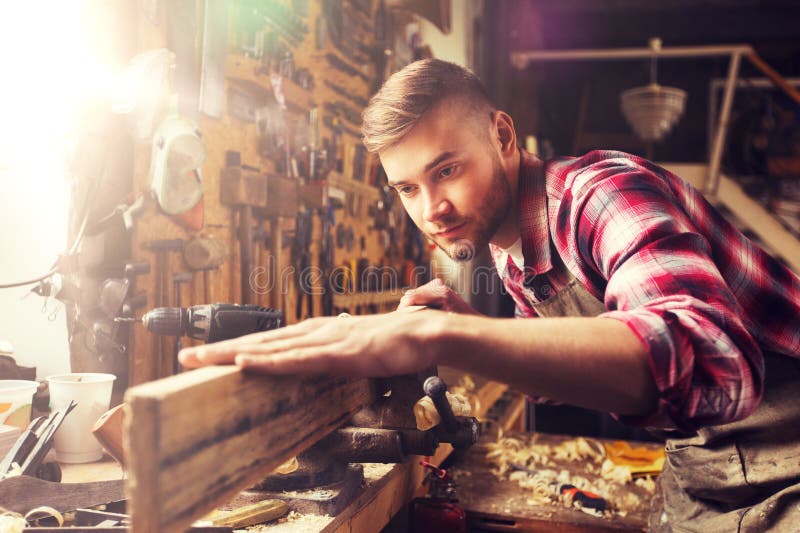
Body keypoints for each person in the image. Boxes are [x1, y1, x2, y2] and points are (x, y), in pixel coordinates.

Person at [178, 59, 800, 531]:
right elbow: (566, 370)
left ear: (503, 135)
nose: (433, 209)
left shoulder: (599, 196)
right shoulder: (511, 247)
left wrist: (444, 335)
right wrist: (469, 324)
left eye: (447, 170)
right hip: (708, 478)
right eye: (408, 189)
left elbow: (715, 365)